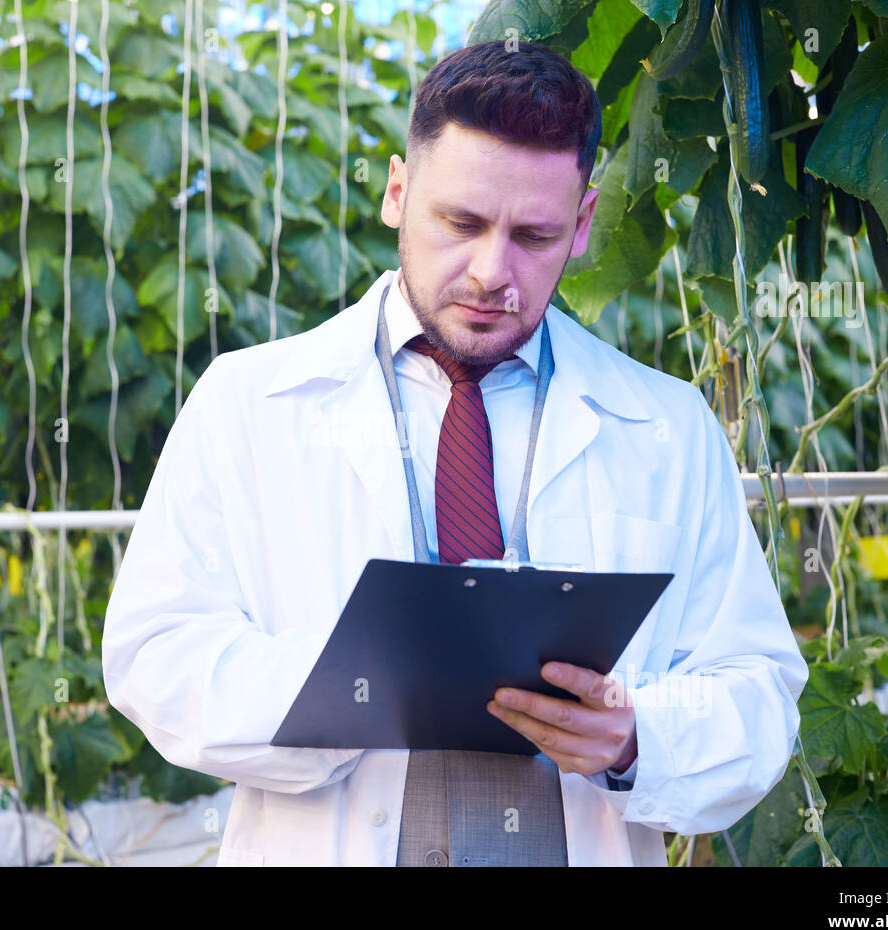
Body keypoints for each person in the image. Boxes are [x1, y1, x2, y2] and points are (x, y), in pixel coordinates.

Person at [102, 40, 808, 866]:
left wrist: (634, 735)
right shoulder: (247, 402)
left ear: (581, 228)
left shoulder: (667, 426)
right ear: (398, 192)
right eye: (461, 223)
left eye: (534, 235)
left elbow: (758, 690)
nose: (490, 271)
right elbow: (156, 654)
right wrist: (358, 684)